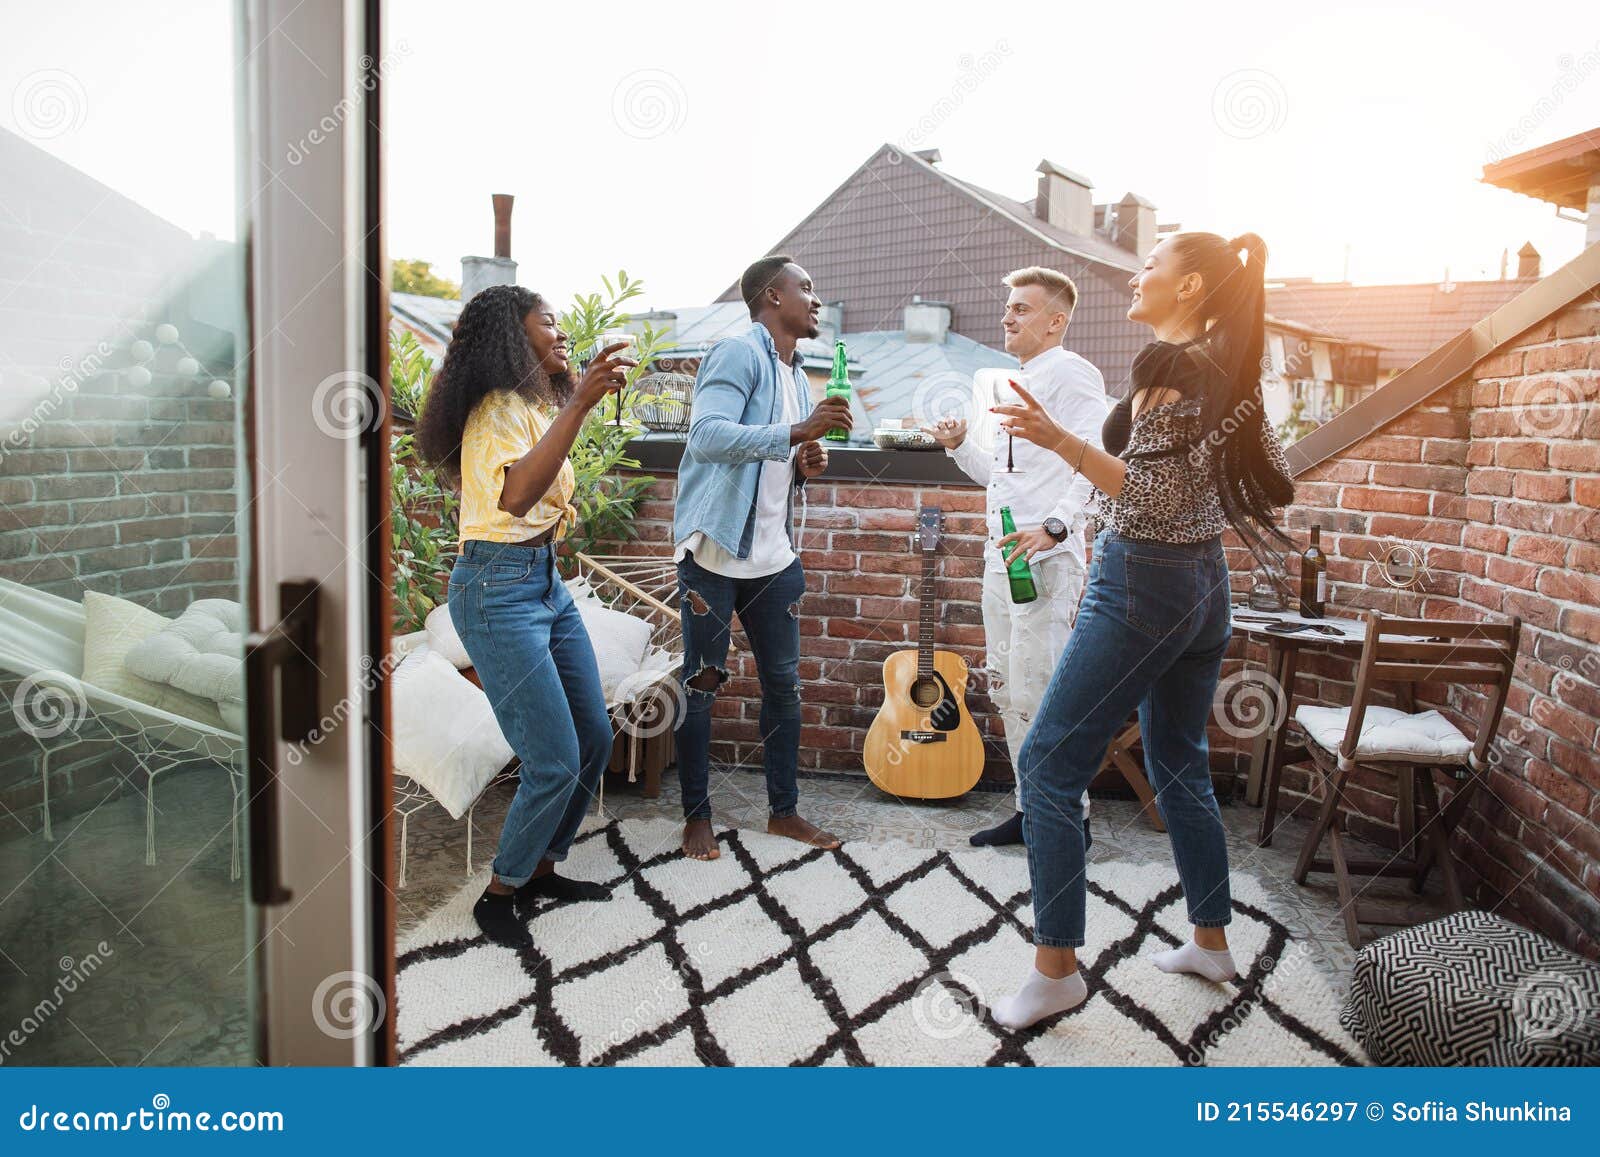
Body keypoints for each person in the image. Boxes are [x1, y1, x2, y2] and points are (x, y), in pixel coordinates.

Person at [986, 233, 1295, 1030]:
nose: (1135, 273)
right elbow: (1271, 481)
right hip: (1203, 583)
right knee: (1179, 763)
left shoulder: (1172, 368)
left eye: (1150, 264)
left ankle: (1056, 968)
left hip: (1144, 581)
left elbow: (1148, 498)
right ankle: (1212, 941)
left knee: (1048, 765)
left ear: (1189, 285)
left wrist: (1058, 440)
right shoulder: (1232, 369)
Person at [416, 284, 635, 947]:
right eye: (548, 322)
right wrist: (583, 403)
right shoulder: (494, 412)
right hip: (496, 589)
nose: (561, 331)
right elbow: (515, 495)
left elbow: (544, 484)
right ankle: (501, 890)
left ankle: (542, 866)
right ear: (514, 336)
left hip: (543, 581)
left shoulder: (536, 406)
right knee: (554, 757)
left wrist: (577, 403)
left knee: (594, 736)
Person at [671, 255, 853, 861]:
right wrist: (797, 434)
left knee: (785, 686)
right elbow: (708, 436)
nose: (817, 298)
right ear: (772, 297)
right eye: (807, 287)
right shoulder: (737, 353)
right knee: (702, 684)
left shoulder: (797, 372)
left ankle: (785, 812)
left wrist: (804, 465)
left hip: (775, 558)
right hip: (715, 556)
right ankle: (697, 816)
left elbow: (776, 457)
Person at [925, 267, 1108, 849]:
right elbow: (998, 477)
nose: (1007, 317)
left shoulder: (1073, 373)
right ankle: (1032, 811)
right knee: (1008, 687)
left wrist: (1056, 527)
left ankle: (1067, 817)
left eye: (1022, 309)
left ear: (1056, 321)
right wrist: (958, 446)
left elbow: (1095, 456)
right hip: (1001, 559)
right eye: (1008, 307)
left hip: (1047, 561)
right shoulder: (1014, 382)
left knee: (1044, 688)